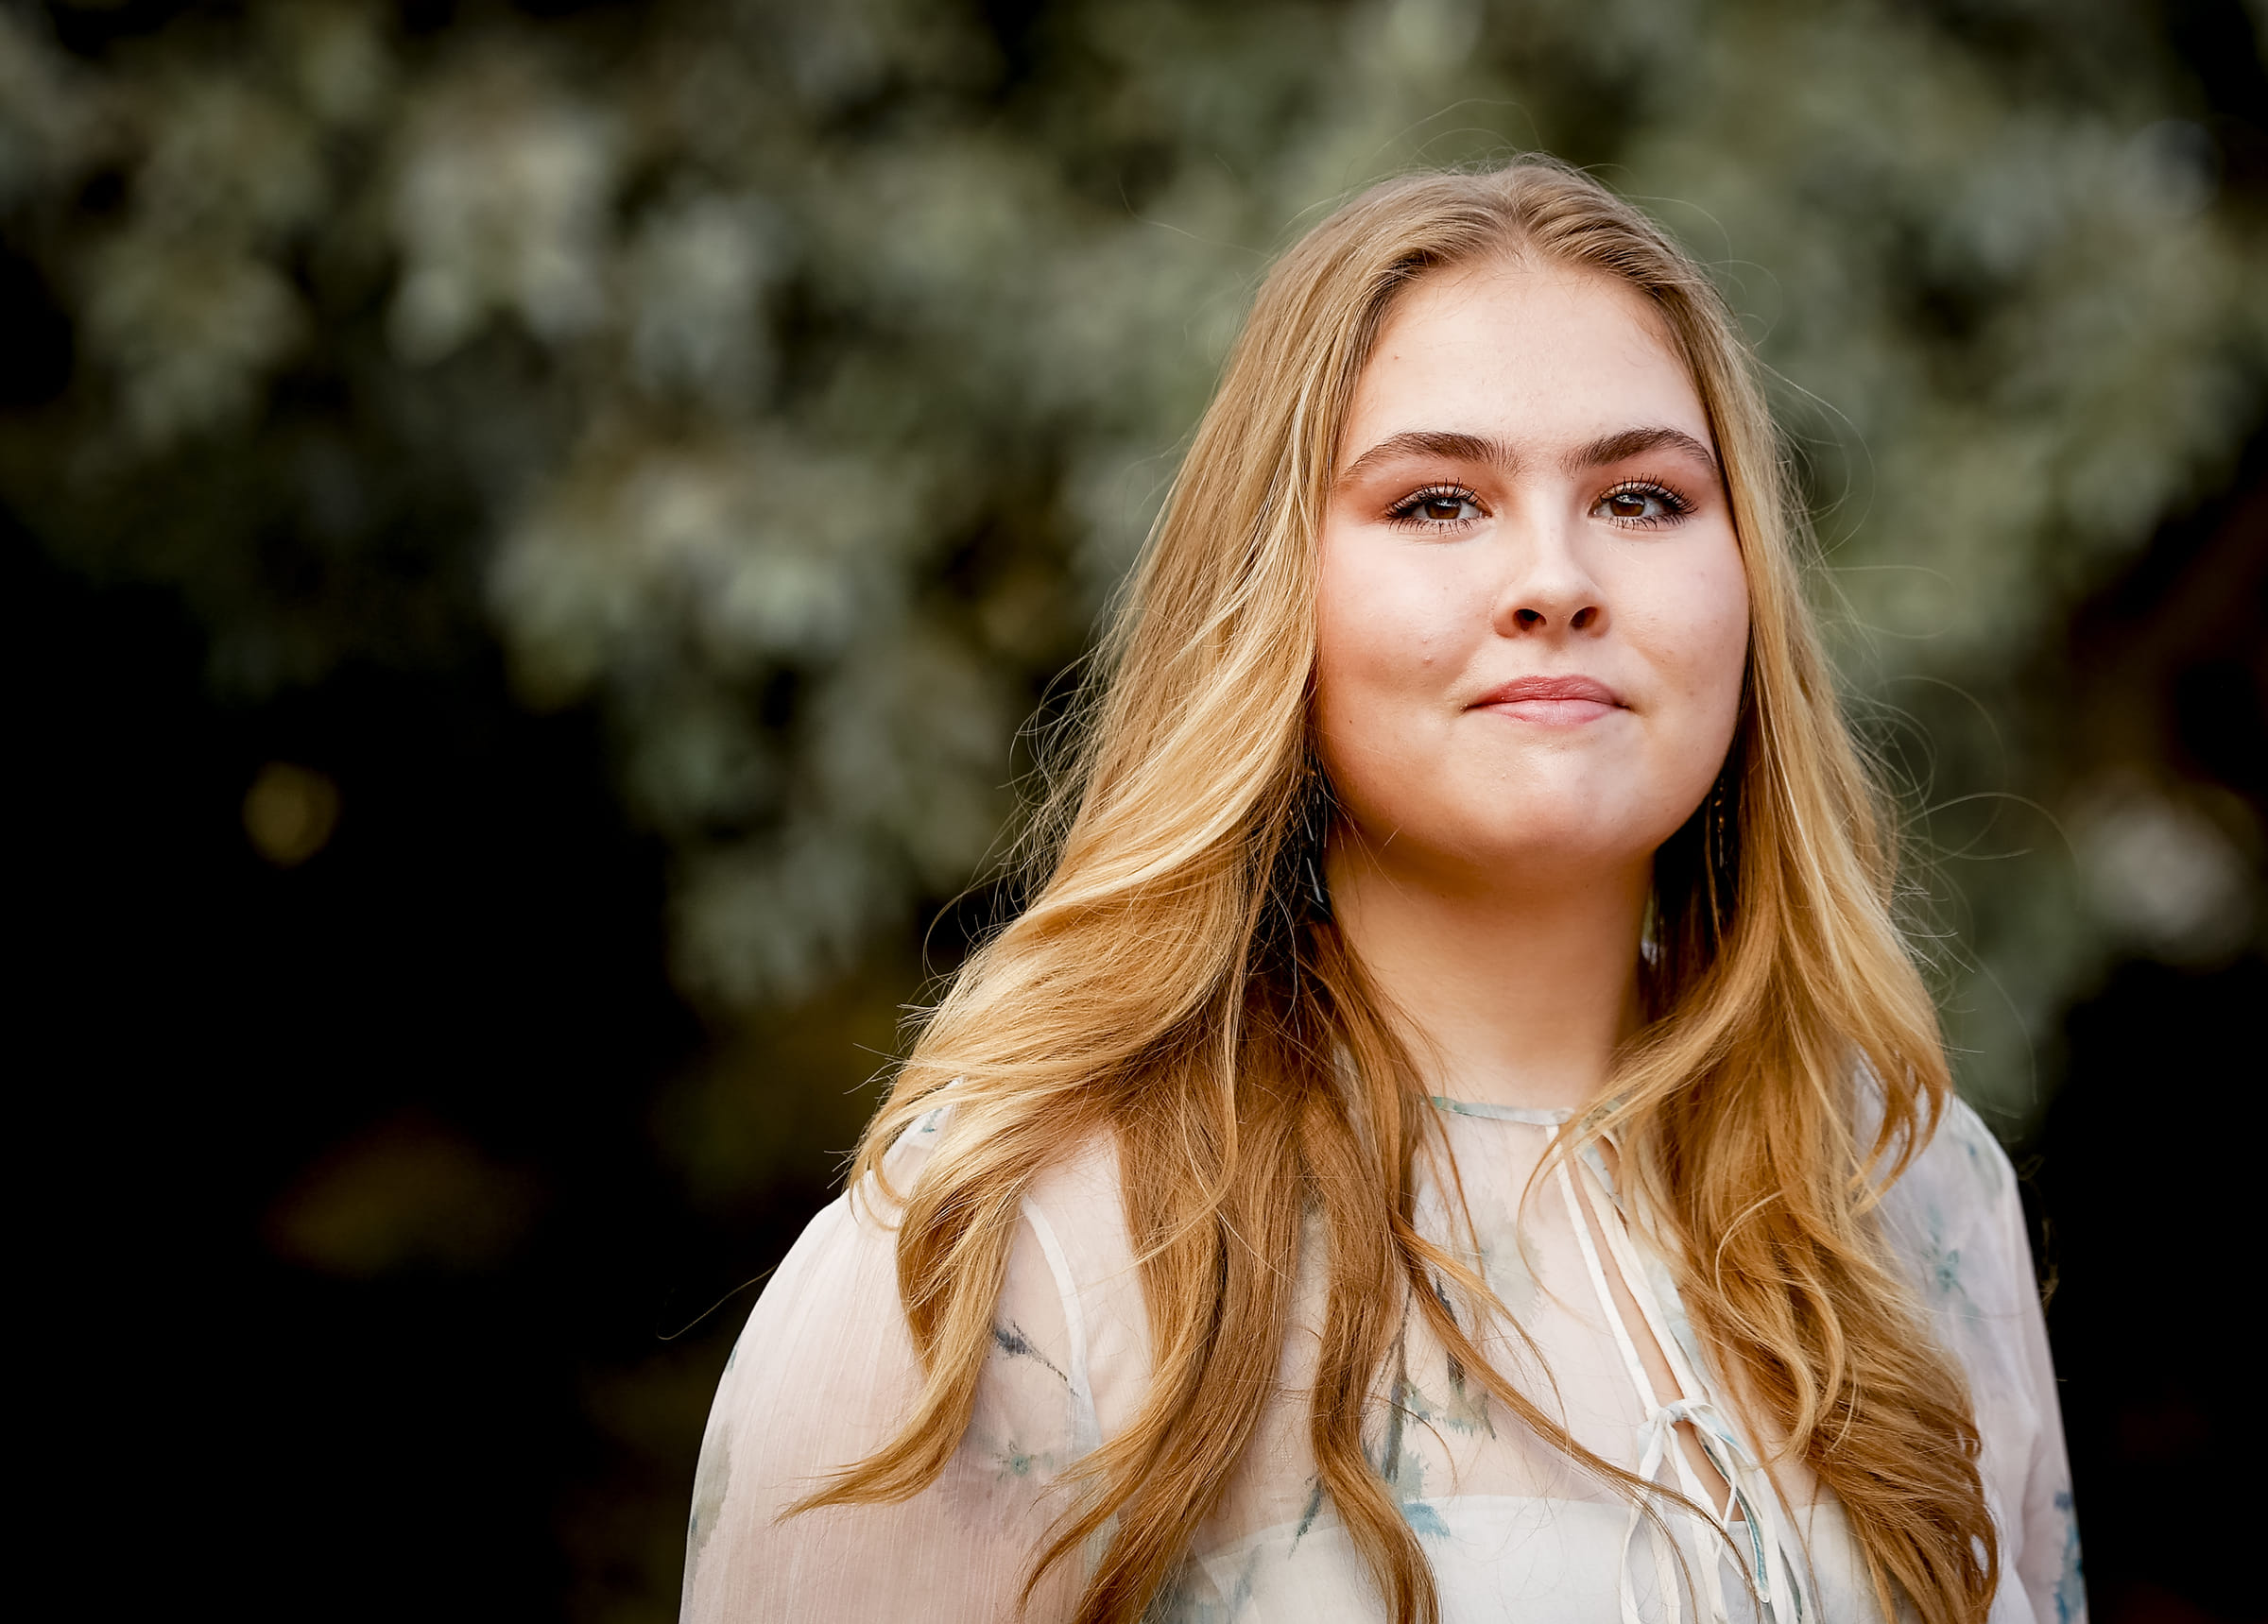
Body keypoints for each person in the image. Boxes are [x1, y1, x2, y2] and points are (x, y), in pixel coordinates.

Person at [678, 159, 2083, 1624]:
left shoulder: (1916, 1194)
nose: (1556, 576)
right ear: (1279, 592)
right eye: (1436, 504)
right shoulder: (1001, 1257)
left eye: (1644, 496)